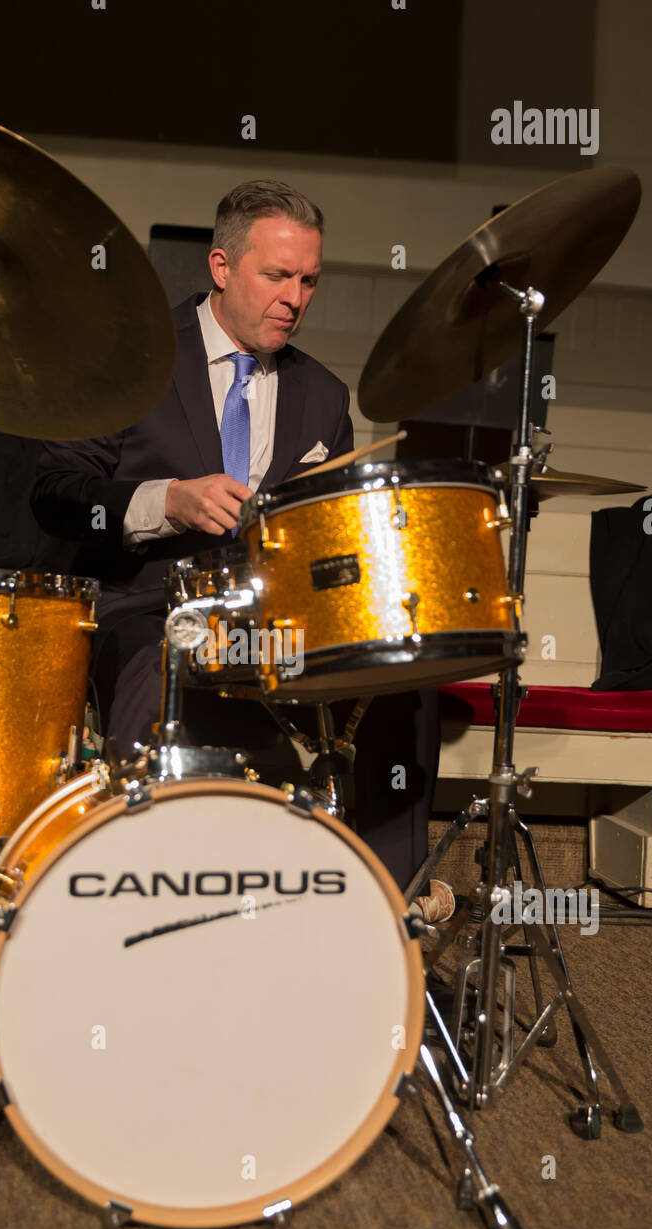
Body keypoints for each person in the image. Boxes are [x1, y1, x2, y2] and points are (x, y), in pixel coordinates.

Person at [31, 179, 441, 897]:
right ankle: (144, 902)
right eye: (276, 275)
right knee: (164, 667)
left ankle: (386, 920)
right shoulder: (134, 357)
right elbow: (57, 491)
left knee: (401, 688)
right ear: (221, 268)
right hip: (147, 610)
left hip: (275, 624)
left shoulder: (321, 395)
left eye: (309, 280)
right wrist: (168, 501)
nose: (295, 297)